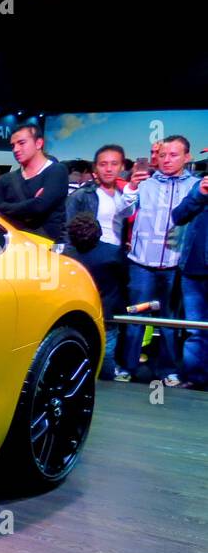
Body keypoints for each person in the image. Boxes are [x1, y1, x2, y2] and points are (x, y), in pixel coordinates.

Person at [119, 134, 199, 387]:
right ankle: (127, 367)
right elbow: (123, 213)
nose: (166, 160)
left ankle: (169, 370)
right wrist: (131, 188)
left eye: (174, 155)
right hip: (141, 264)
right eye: (162, 155)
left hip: (176, 267)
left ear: (187, 157)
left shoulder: (197, 187)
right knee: (136, 319)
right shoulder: (145, 184)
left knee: (170, 322)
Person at [64, 213, 124, 380]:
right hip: (107, 310)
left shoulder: (67, 257)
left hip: (78, 312)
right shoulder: (113, 254)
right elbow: (125, 279)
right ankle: (106, 381)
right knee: (107, 349)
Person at [0, 123, 70, 244]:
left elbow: (39, 206)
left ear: (38, 143)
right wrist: (31, 204)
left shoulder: (57, 170)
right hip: (14, 245)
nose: (15, 149)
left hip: (47, 246)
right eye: (13, 145)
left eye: (21, 143)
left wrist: (4, 207)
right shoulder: (5, 179)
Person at [171, 172, 208, 390]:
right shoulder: (198, 187)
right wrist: (200, 194)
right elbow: (178, 216)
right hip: (193, 270)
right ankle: (195, 378)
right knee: (195, 330)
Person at [67, 144, 127, 247]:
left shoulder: (125, 196)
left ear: (122, 167)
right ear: (95, 168)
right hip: (89, 255)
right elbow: (66, 232)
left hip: (117, 257)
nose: (109, 169)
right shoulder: (81, 196)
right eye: (103, 164)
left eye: (114, 164)